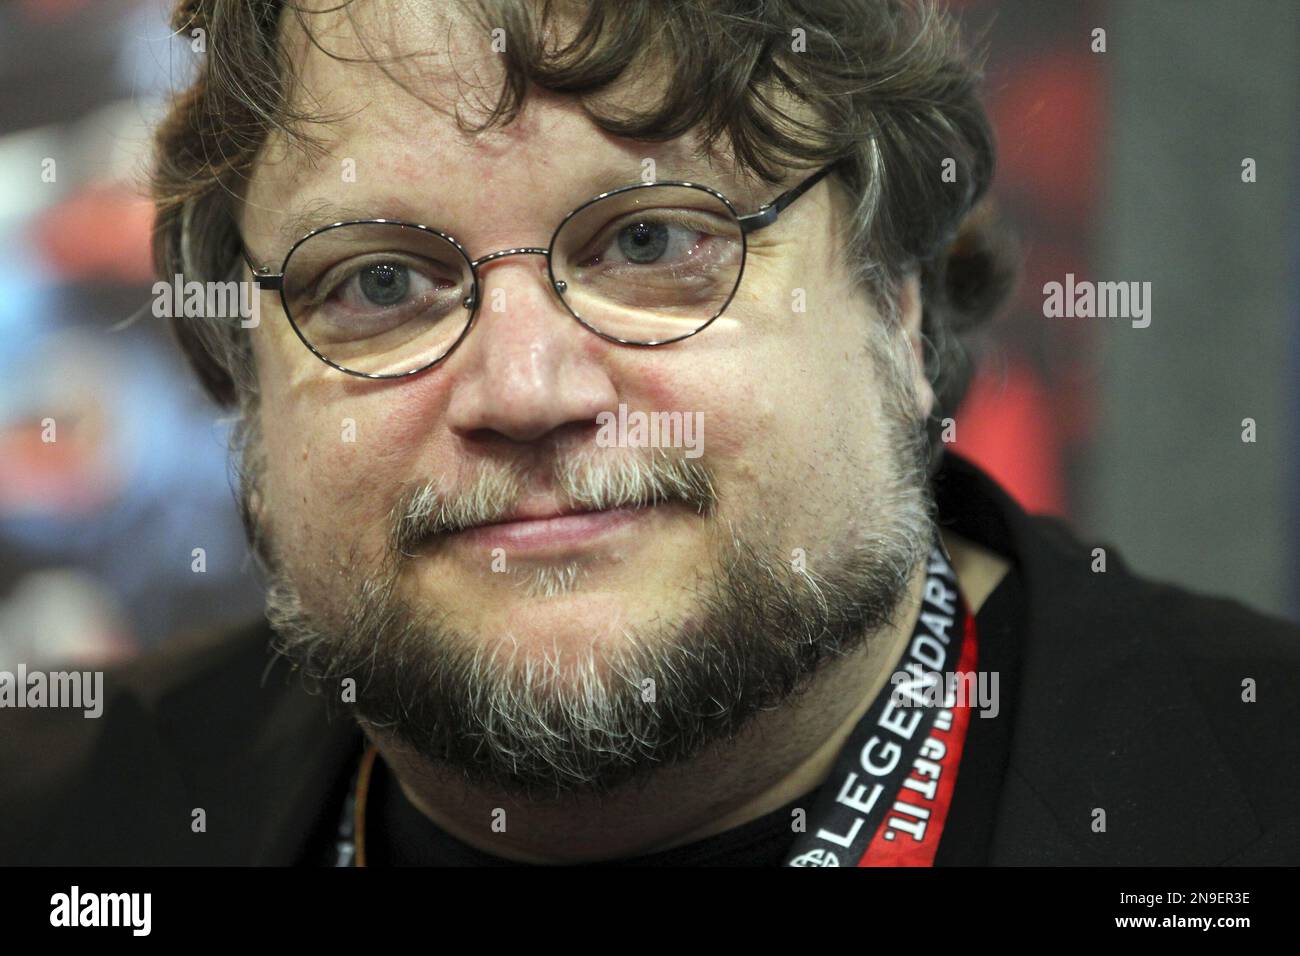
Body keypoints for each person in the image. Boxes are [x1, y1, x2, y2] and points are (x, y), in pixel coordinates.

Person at [2, 0, 1296, 867]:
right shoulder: (68, 827)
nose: (522, 389)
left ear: (896, 304)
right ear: (245, 374)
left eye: (653, 241)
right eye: (381, 282)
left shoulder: (1252, 787)